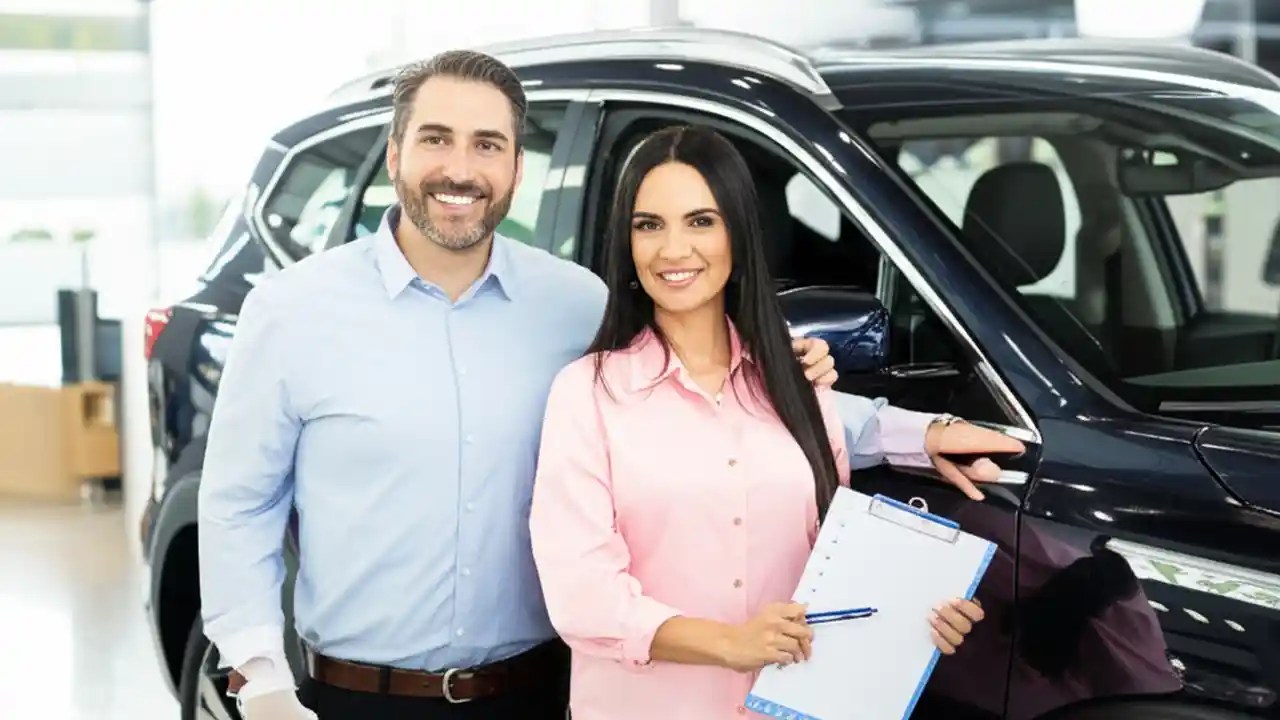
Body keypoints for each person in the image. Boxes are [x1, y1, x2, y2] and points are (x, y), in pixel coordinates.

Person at [196, 50, 840, 720]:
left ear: (516, 169)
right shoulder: (293, 309)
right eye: (435, 139)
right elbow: (239, 507)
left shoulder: (576, 304)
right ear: (395, 156)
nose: (460, 169)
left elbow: (706, 399)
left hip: (536, 695)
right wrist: (261, 679)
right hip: (357, 699)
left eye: (488, 145)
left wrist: (870, 411)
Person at [527, 125, 1028, 720]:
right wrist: (729, 644)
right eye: (649, 225)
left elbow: (835, 564)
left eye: (701, 221)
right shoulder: (588, 393)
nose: (673, 249)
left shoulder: (795, 382)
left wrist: (914, 615)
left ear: (739, 233)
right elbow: (583, 597)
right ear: (627, 244)